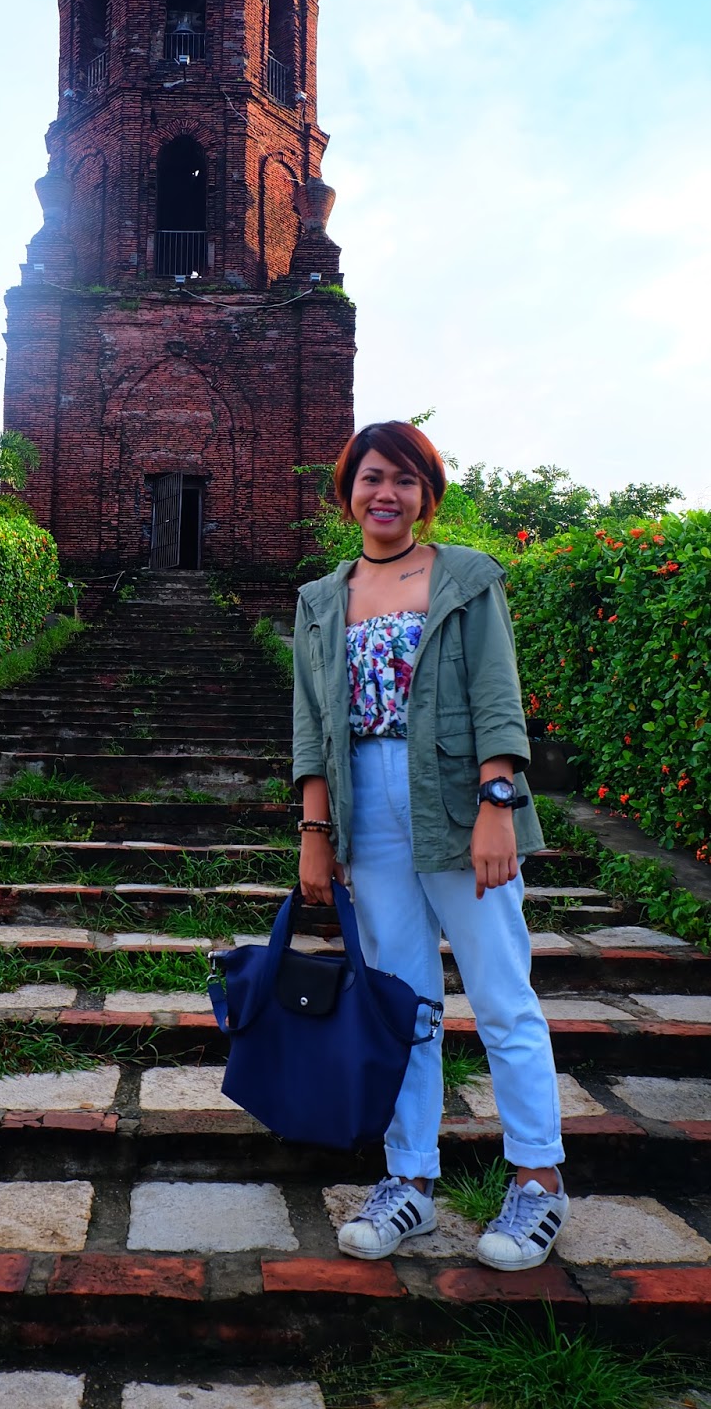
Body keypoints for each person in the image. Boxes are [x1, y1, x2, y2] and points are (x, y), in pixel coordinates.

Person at [292, 420, 568, 1271]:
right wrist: (314, 830)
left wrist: (497, 803)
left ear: (427, 495)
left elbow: (496, 692)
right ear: (348, 491)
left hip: (456, 799)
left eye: (405, 480)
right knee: (402, 1003)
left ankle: (539, 1183)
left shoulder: (465, 577)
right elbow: (311, 722)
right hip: (365, 813)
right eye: (372, 477)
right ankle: (409, 1179)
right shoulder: (321, 598)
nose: (387, 493)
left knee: (501, 994)